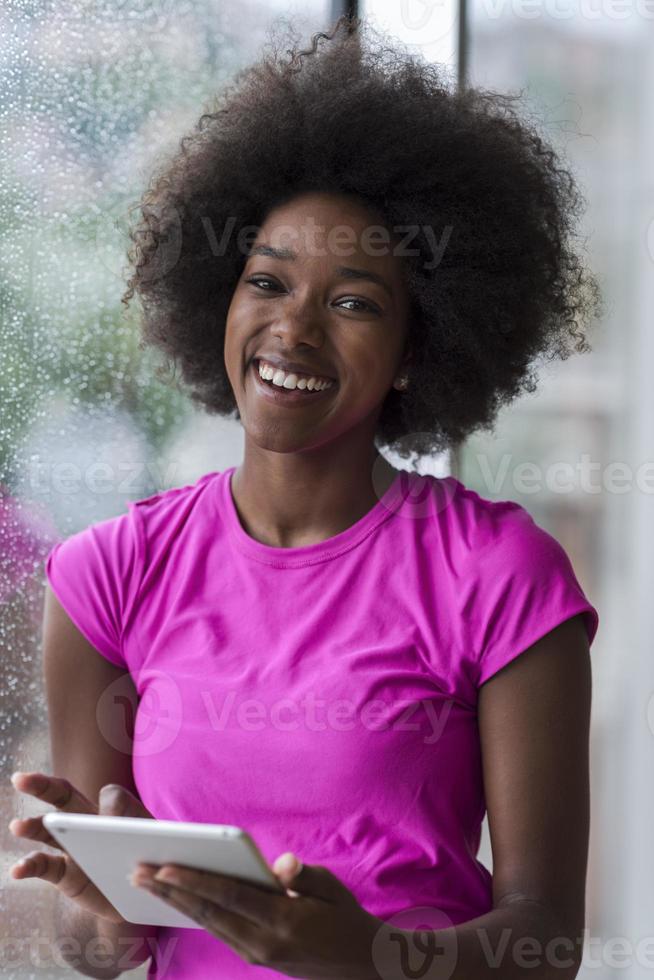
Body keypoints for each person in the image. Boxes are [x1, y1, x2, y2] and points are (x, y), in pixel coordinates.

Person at [9, 13, 601, 980]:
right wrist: (106, 911)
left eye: (355, 301)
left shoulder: (499, 575)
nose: (294, 330)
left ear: (417, 351)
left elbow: (547, 940)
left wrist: (370, 958)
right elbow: (98, 950)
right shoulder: (108, 574)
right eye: (267, 282)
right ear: (218, 301)